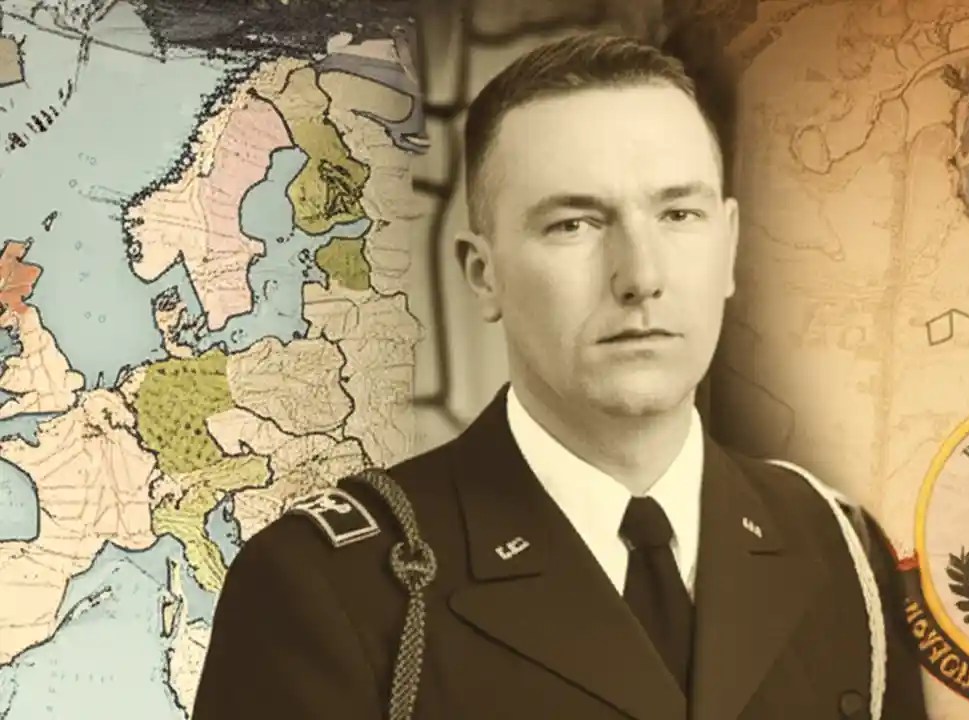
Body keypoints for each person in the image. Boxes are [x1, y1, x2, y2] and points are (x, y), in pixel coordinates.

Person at [191, 32, 930, 720]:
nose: (640, 277)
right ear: (483, 276)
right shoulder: (335, 588)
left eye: (678, 214)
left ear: (730, 244)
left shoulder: (843, 553)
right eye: (574, 224)